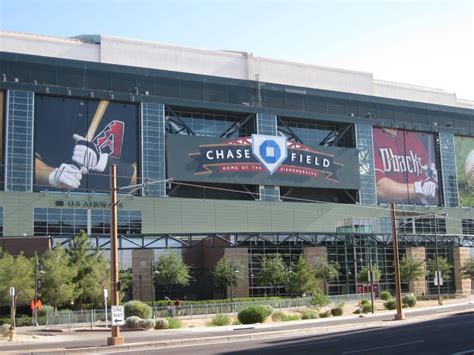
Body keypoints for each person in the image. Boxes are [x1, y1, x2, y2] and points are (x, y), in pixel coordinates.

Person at [34, 97, 138, 192]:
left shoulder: (130, 104)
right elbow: (23, 159)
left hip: (111, 205)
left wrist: (103, 163)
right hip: (49, 201)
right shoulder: (49, 97)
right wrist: (51, 176)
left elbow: (146, 179)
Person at [373, 127, 439, 205]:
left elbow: (429, 177)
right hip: (384, 213)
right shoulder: (369, 133)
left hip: (419, 212)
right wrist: (419, 188)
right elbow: (378, 188)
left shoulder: (412, 136)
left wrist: (433, 182)